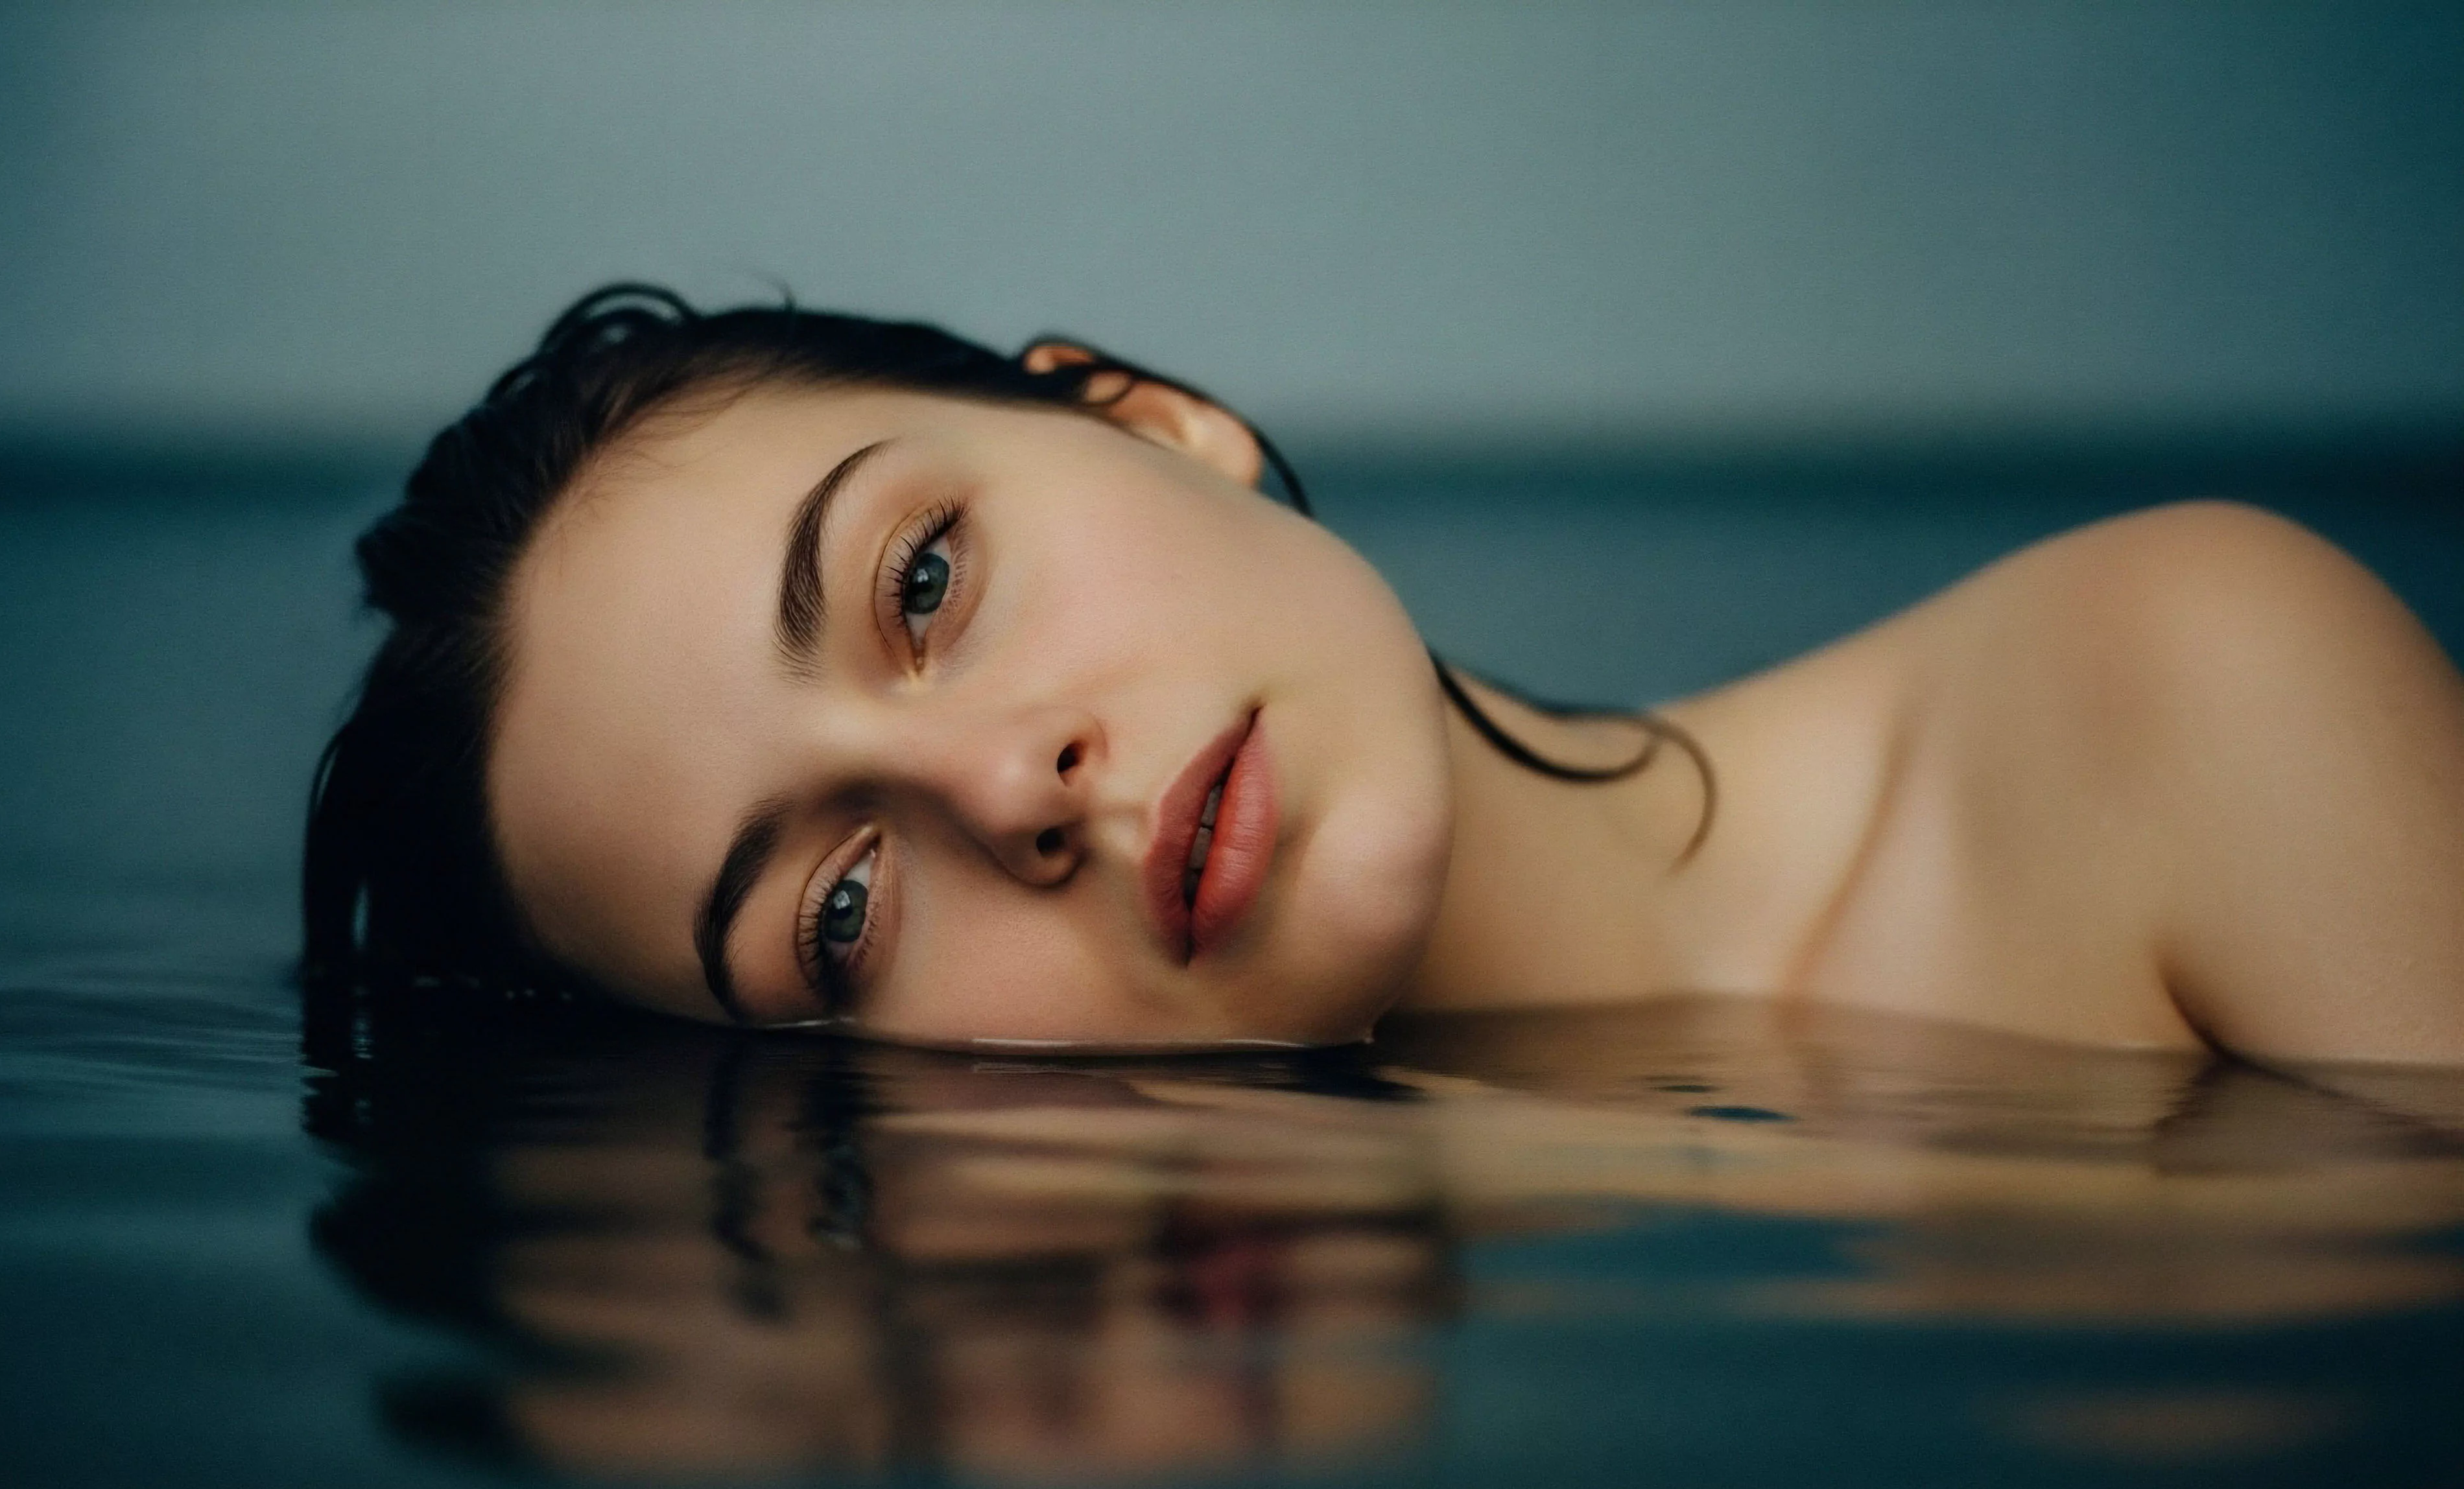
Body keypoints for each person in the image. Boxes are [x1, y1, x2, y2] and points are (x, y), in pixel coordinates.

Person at [303, 285, 2464, 1064]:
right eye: (841, 911)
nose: (1009, 786)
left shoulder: (2185, 697)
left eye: (929, 576)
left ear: (1154, 421)